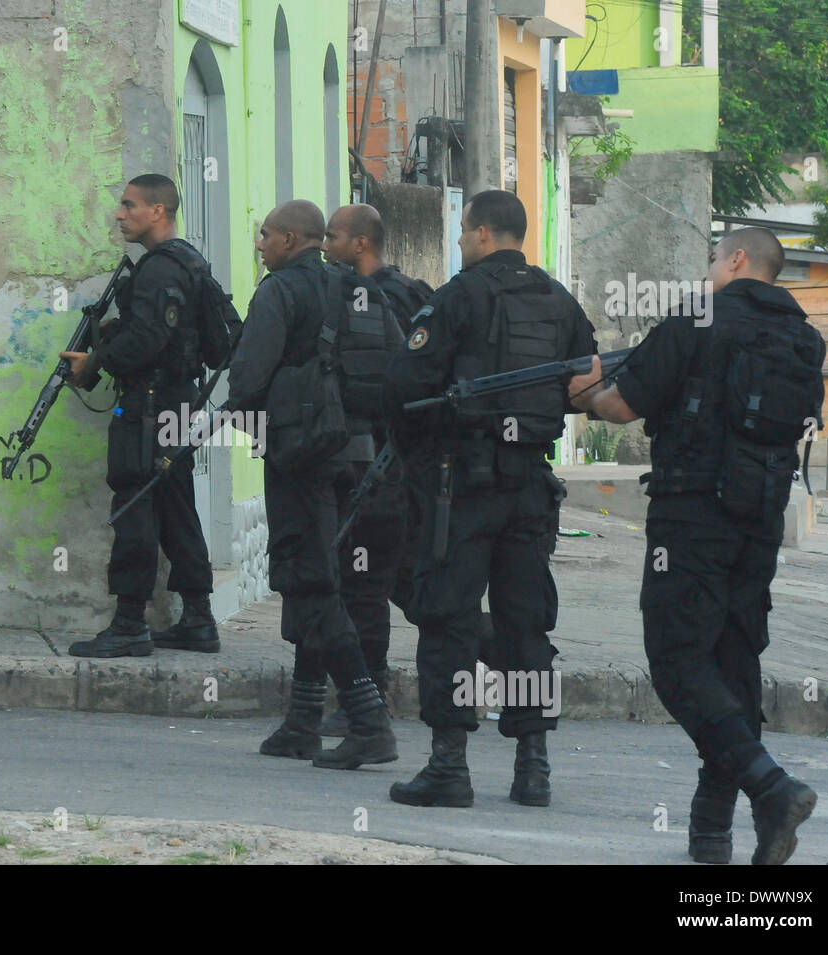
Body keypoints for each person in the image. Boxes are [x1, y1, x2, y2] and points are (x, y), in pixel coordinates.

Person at [568, 227, 825, 865]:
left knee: (678, 661)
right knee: (734, 664)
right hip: (759, 518)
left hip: (691, 517)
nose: (708, 270)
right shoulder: (803, 335)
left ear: (737, 259)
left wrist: (585, 394)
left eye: (713, 257)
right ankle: (712, 831)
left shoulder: (697, 319)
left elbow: (623, 406)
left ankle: (772, 790)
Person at [384, 190, 596, 809]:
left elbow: (405, 388)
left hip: (461, 488)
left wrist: (421, 461)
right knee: (525, 623)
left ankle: (449, 767)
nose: (459, 242)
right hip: (530, 484)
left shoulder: (459, 296)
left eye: (461, 232)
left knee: (448, 618)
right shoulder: (558, 300)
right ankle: (534, 768)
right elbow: (587, 382)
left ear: (480, 233)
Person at [229, 199, 401, 770]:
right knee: (326, 583)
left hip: (302, 460)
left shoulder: (278, 291)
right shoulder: (361, 289)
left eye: (265, 235)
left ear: (288, 239)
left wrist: (263, 421)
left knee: (308, 580)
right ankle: (303, 721)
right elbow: (399, 367)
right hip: (361, 462)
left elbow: (247, 380)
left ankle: (368, 720)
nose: (260, 245)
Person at [60, 174, 217, 657]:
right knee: (175, 507)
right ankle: (198, 619)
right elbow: (194, 338)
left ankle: (130, 623)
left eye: (129, 205)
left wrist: (95, 362)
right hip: (178, 402)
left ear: (158, 211)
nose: (119, 214)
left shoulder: (158, 269)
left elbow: (148, 341)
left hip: (149, 407)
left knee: (135, 505)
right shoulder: (190, 262)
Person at [316, 204, 432, 735]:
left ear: (359, 244)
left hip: (380, 465)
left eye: (332, 237)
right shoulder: (414, 293)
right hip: (403, 466)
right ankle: (508, 656)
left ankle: (368, 697)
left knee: (365, 586)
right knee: (406, 587)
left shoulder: (371, 298)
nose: (325, 247)